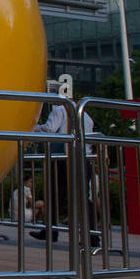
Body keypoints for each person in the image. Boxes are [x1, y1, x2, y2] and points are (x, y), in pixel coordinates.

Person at [32, 102, 100, 247]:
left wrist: (31, 128)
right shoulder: (86, 115)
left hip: (64, 158)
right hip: (83, 158)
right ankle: (92, 236)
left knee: (54, 196)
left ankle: (50, 231)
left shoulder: (60, 109)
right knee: (83, 198)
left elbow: (49, 129)